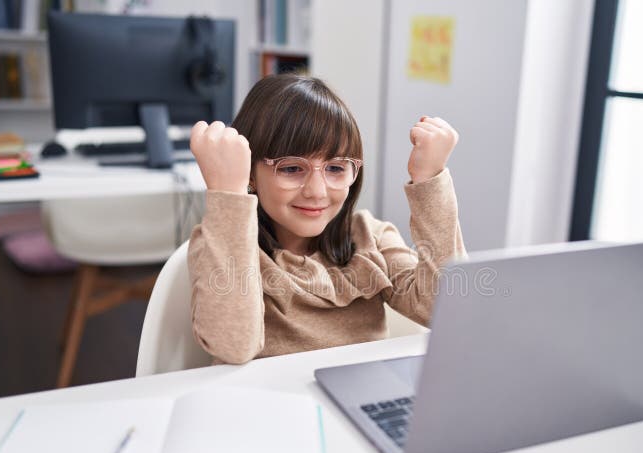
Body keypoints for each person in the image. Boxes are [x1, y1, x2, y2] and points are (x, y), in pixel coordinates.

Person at [187, 74, 466, 364]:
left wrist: (430, 179)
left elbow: (448, 311)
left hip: (355, 401)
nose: (317, 192)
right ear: (251, 174)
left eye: (335, 168)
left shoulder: (371, 237)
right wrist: (229, 194)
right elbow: (233, 347)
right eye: (292, 168)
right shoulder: (219, 243)